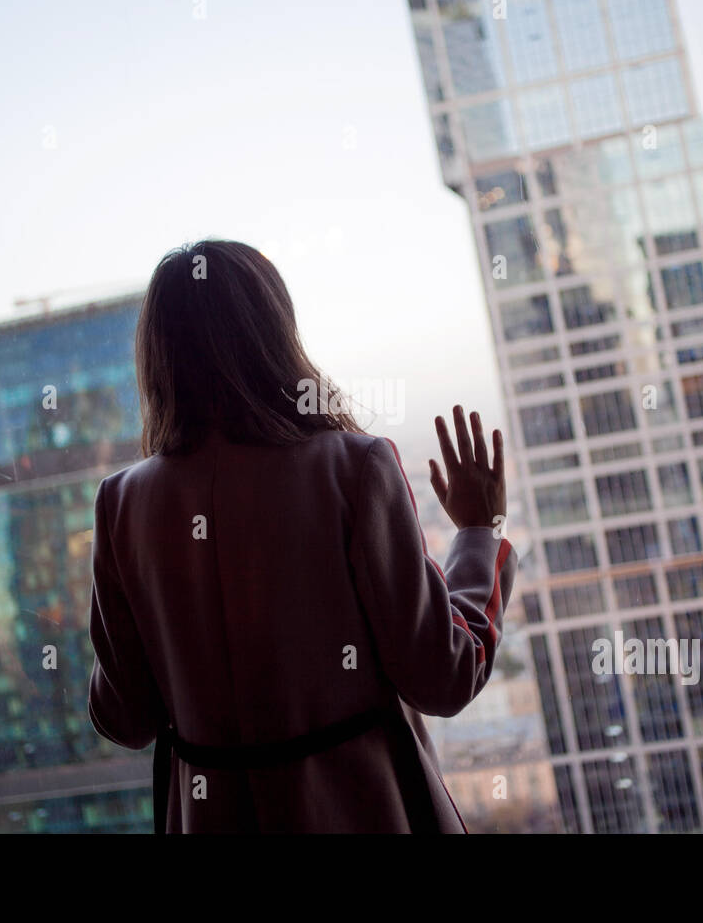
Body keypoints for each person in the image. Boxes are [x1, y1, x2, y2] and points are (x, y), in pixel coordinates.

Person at [87, 239, 518, 832]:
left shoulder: (121, 504)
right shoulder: (353, 468)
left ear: (157, 358)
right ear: (276, 334)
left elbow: (124, 716)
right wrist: (476, 532)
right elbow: (443, 675)